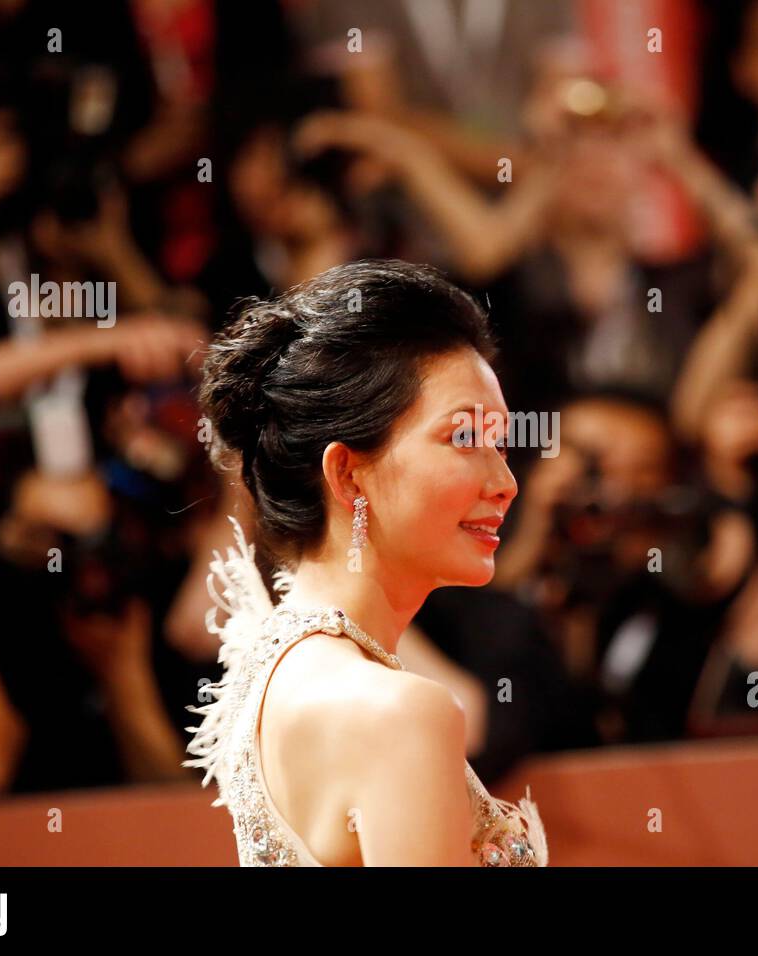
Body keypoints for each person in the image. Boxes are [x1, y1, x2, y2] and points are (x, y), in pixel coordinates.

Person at [183, 259, 548, 866]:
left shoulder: (275, 667)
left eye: (501, 443)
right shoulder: (400, 712)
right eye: (463, 439)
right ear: (347, 474)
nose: (506, 482)